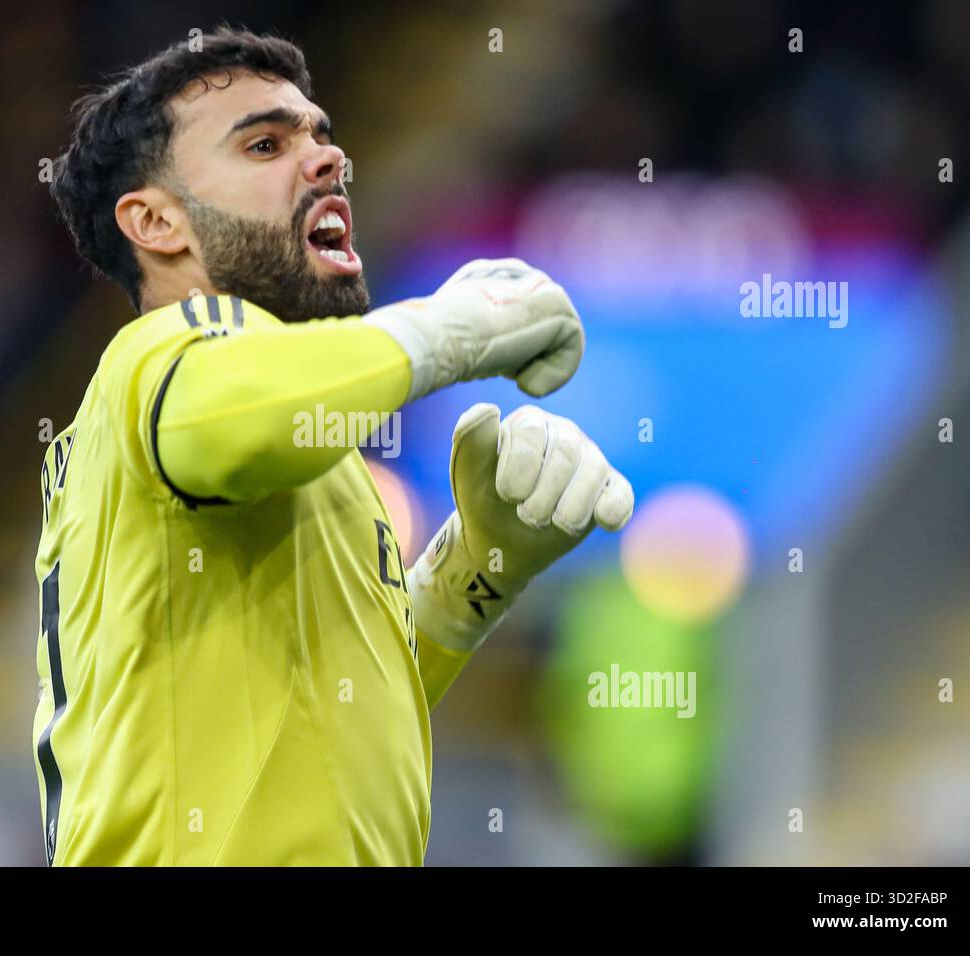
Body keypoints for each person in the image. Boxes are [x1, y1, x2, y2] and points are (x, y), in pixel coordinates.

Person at [34, 27, 633, 866]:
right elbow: (227, 419)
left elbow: (345, 696)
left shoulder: (311, 449)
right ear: (156, 221)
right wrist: (454, 329)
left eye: (322, 135)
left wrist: (480, 569)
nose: (327, 160)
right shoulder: (161, 357)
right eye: (267, 143)